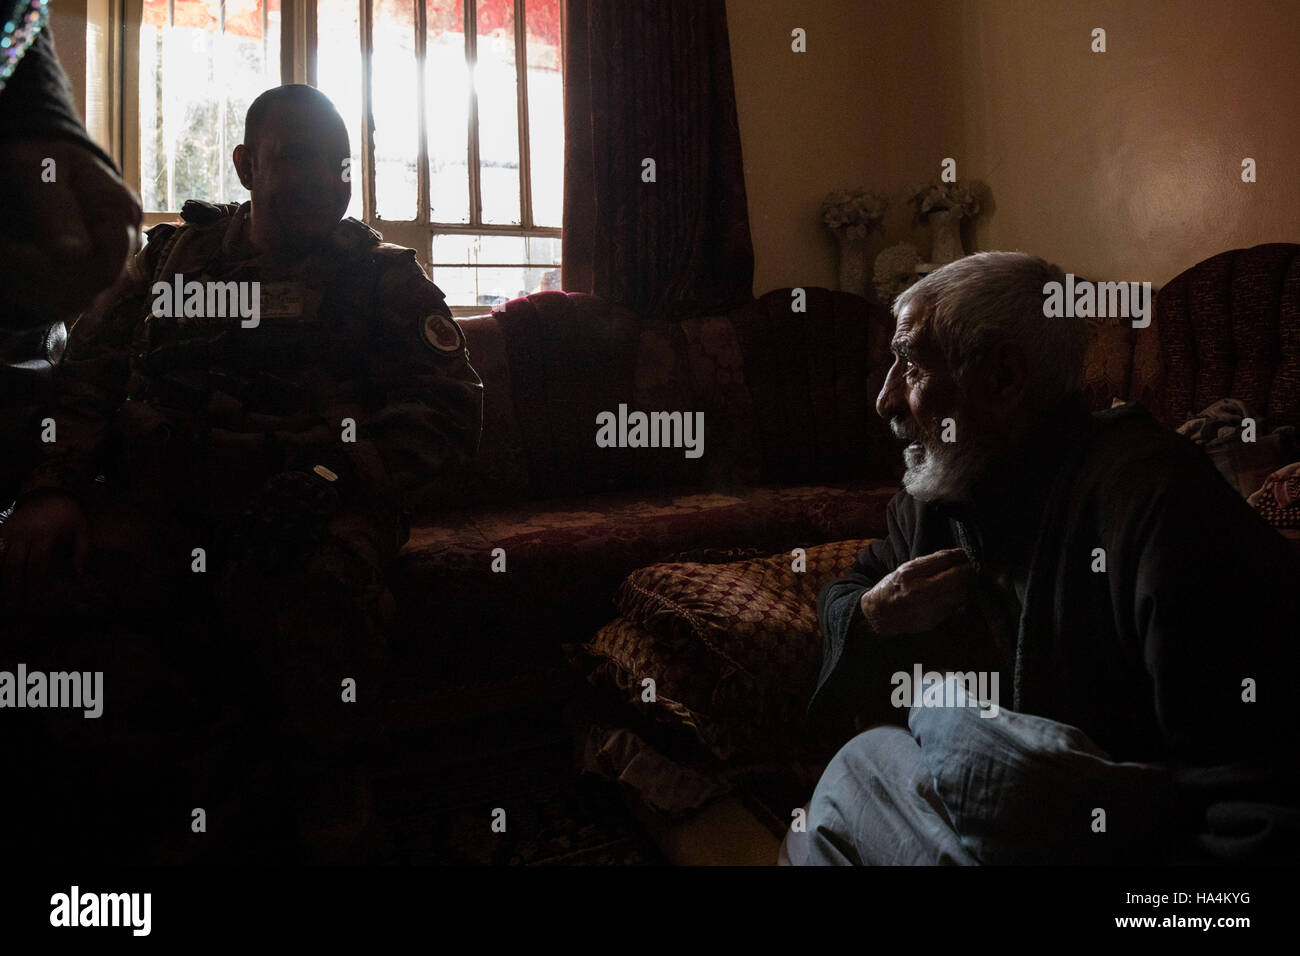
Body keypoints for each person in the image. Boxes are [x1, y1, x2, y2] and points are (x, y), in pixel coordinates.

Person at [0, 83, 484, 862]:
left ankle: (333, 816)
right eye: (298, 159)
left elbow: (452, 410)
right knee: (54, 585)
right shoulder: (168, 261)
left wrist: (335, 474)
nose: (327, 181)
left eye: (341, 164)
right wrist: (50, 489)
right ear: (246, 166)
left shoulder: (380, 279)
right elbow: (86, 381)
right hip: (167, 500)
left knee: (316, 594)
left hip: (321, 501)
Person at [796, 251, 1300, 866]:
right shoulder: (939, 501)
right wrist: (877, 615)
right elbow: (848, 594)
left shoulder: (1156, 502)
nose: (885, 400)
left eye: (909, 364)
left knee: (859, 770)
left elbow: (1261, 796)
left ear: (1003, 378)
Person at [0, 0, 142, 497]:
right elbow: (91, 389)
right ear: (247, 165)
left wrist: (37, 111)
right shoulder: (178, 257)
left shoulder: (372, 273)